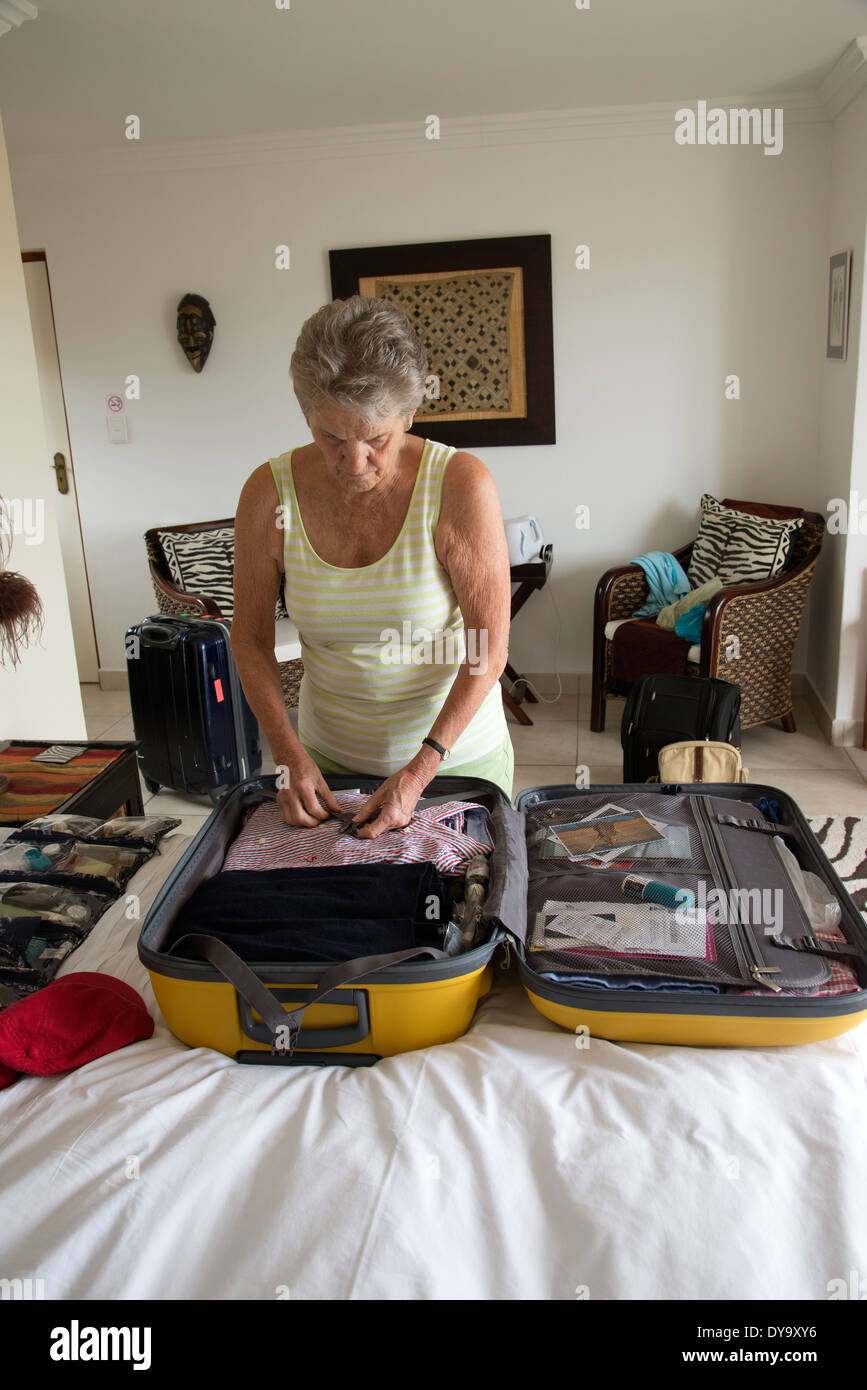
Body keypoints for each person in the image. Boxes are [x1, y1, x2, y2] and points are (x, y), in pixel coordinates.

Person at [231, 295, 513, 838]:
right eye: (331, 437)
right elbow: (249, 640)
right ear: (304, 412)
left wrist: (421, 768)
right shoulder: (269, 492)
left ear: (409, 415)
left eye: (377, 439)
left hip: (452, 764)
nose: (354, 462)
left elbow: (489, 645)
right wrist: (288, 755)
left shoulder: (459, 485)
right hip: (326, 765)